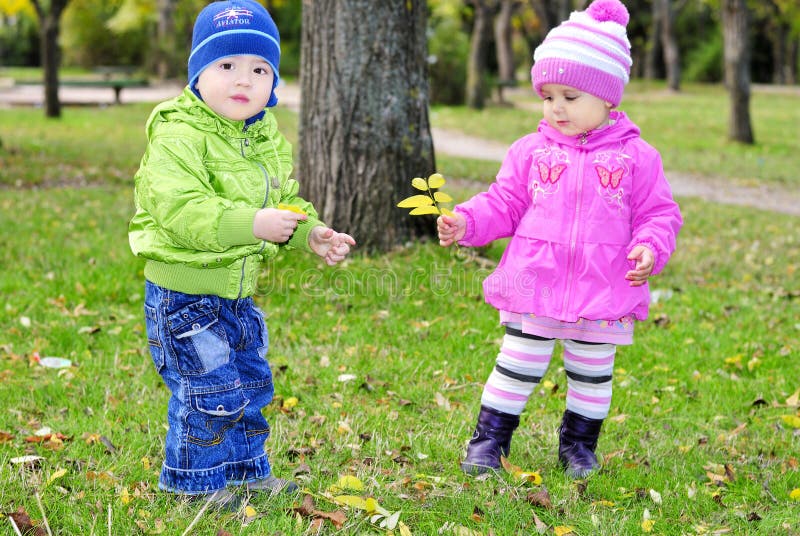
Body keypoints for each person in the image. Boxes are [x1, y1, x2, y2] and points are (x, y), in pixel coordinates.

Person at [437, 0, 682, 478]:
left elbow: (659, 213)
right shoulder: (530, 151)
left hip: (604, 286)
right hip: (537, 281)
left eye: (570, 96)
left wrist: (650, 247)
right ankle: (489, 440)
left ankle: (578, 447)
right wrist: (467, 221)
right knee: (517, 364)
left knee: (592, 374)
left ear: (607, 97)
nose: (556, 107)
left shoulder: (637, 157)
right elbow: (504, 201)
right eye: (548, 96)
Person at [129, 0, 355, 508]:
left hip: (236, 291)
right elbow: (181, 210)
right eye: (226, 65)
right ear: (197, 75)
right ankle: (194, 485)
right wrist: (252, 223)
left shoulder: (263, 136)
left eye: (259, 69)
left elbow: (283, 201)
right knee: (210, 393)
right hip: (184, 294)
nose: (243, 80)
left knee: (250, 385)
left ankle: (247, 472)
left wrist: (309, 232)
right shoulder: (177, 133)